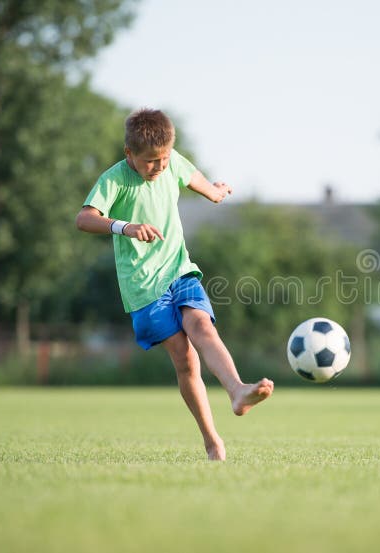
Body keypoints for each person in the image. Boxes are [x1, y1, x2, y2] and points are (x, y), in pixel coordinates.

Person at [75, 108, 274, 461]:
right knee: (185, 360)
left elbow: (189, 173)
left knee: (201, 326)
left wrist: (213, 192)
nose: (160, 167)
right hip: (142, 287)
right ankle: (212, 440)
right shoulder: (116, 179)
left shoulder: (172, 161)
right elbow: (84, 218)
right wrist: (126, 227)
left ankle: (237, 390)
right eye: (150, 161)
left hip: (178, 268)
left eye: (164, 158)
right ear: (129, 155)